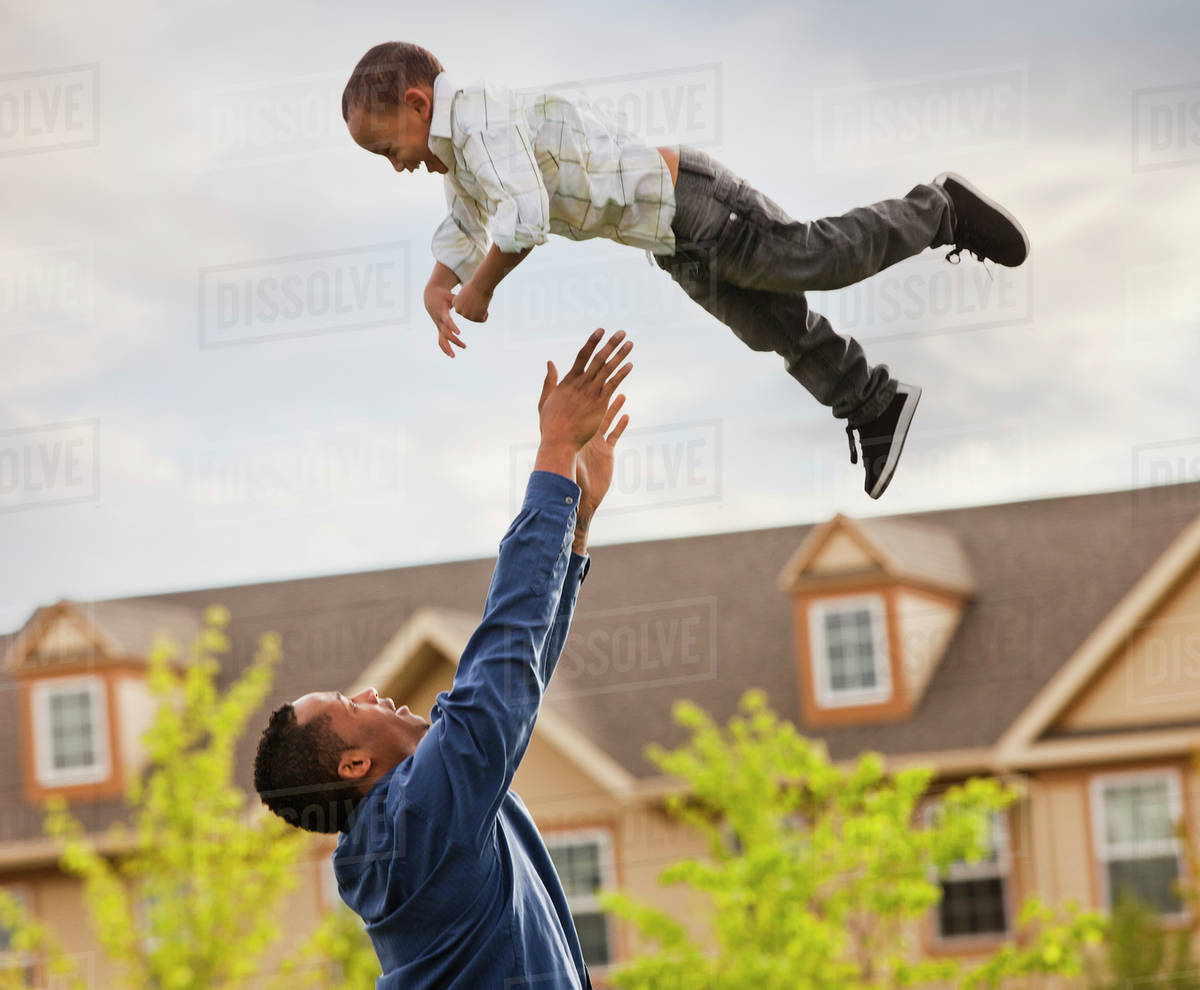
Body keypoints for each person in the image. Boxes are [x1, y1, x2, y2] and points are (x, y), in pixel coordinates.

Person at [339, 41, 1030, 499]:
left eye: (387, 149)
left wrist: (481, 287)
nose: (397, 164)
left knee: (812, 257)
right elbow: (466, 220)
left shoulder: (482, 122)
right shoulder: (458, 156)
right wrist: (440, 282)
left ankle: (939, 210)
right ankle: (872, 401)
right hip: (669, 236)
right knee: (768, 325)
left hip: (694, 202)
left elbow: (524, 214)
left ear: (418, 105)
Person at [253, 328, 633, 989]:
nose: (370, 692)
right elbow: (501, 661)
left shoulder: (406, 827)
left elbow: (519, 678)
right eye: (350, 705)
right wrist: (551, 454)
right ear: (353, 764)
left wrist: (574, 524)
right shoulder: (421, 821)